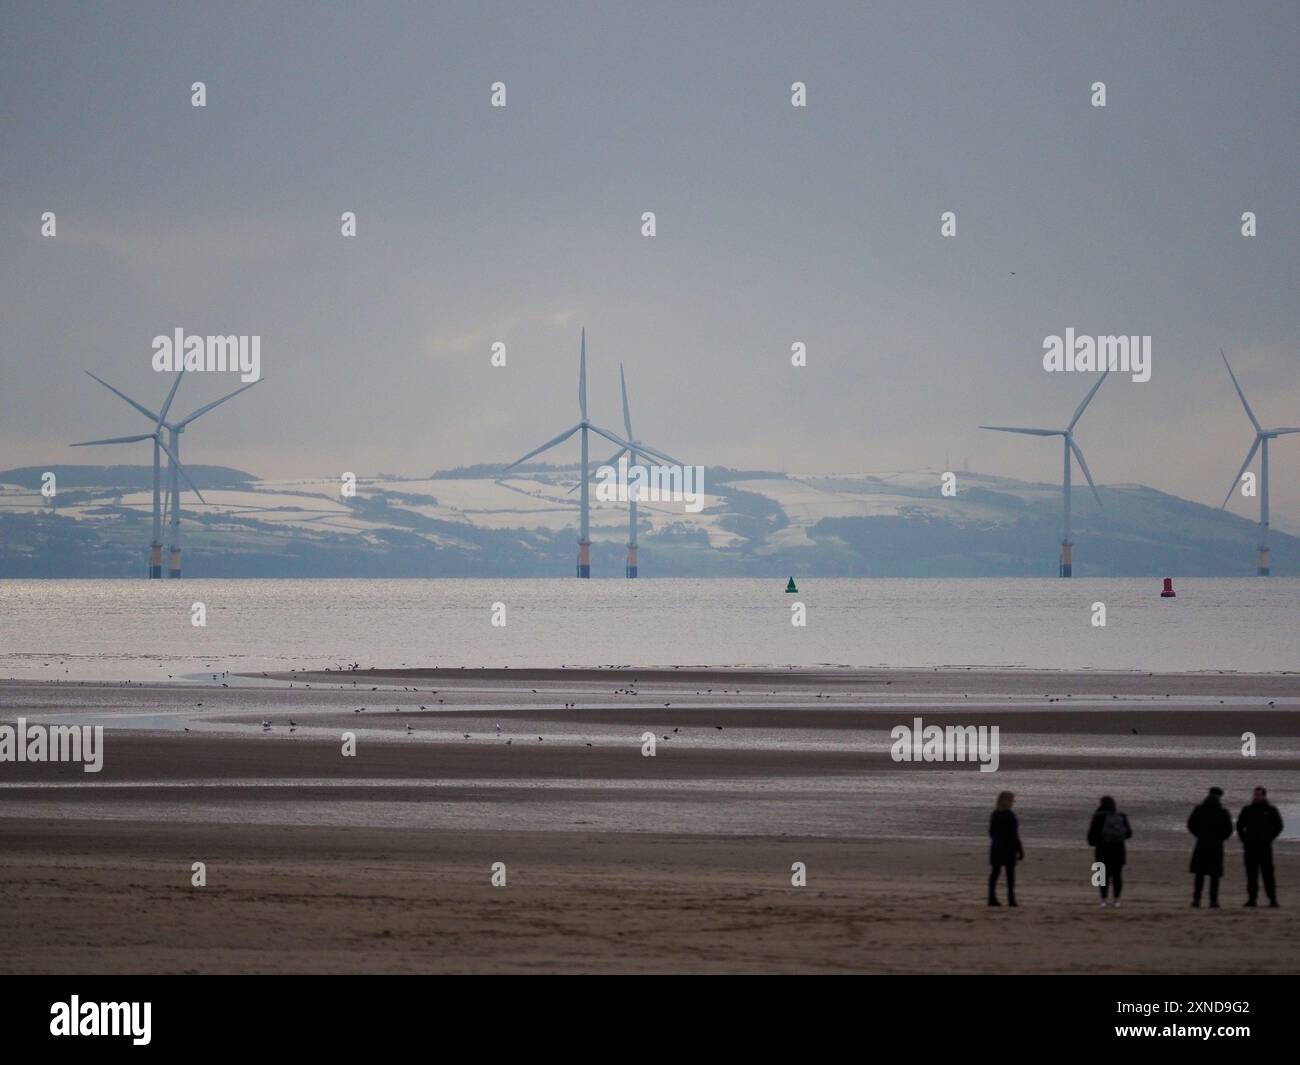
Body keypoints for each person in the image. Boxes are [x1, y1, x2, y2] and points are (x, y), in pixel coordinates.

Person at [1236, 786, 1283, 908]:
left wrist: (1269, 837)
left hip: (1265, 848)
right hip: (1250, 847)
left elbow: (1279, 826)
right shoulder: (1247, 809)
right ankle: (1252, 899)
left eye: (1258, 795)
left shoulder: (1271, 810)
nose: (1256, 797)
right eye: (1255, 795)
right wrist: (1244, 839)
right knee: (1251, 875)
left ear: (1264, 796)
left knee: (1268, 874)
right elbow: (1239, 825)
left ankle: (1272, 899)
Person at [1187, 786, 1233, 908]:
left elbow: (1191, 825)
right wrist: (1220, 838)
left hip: (1202, 844)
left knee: (1200, 874)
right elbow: (1228, 830)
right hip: (1216, 846)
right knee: (1214, 875)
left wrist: (1199, 835)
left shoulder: (1199, 809)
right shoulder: (1223, 812)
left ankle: (1197, 900)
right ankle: (1213, 900)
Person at [1087, 795, 1132, 907]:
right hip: (1119, 849)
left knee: (1103, 875)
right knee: (1117, 875)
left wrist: (1094, 843)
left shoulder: (1098, 816)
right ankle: (1116, 900)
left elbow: (1092, 834)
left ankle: (1103, 900)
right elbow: (1129, 833)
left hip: (1102, 850)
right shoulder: (1121, 816)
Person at [988, 791, 1024, 907]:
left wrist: (996, 841)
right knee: (1009, 875)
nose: (1012, 802)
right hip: (1009, 848)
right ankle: (1011, 899)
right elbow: (1014, 834)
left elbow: (991, 832)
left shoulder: (995, 814)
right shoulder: (1010, 815)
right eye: (1011, 800)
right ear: (1006, 801)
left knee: (995, 873)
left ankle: (992, 898)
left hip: (996, 847)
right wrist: (1020, 849)